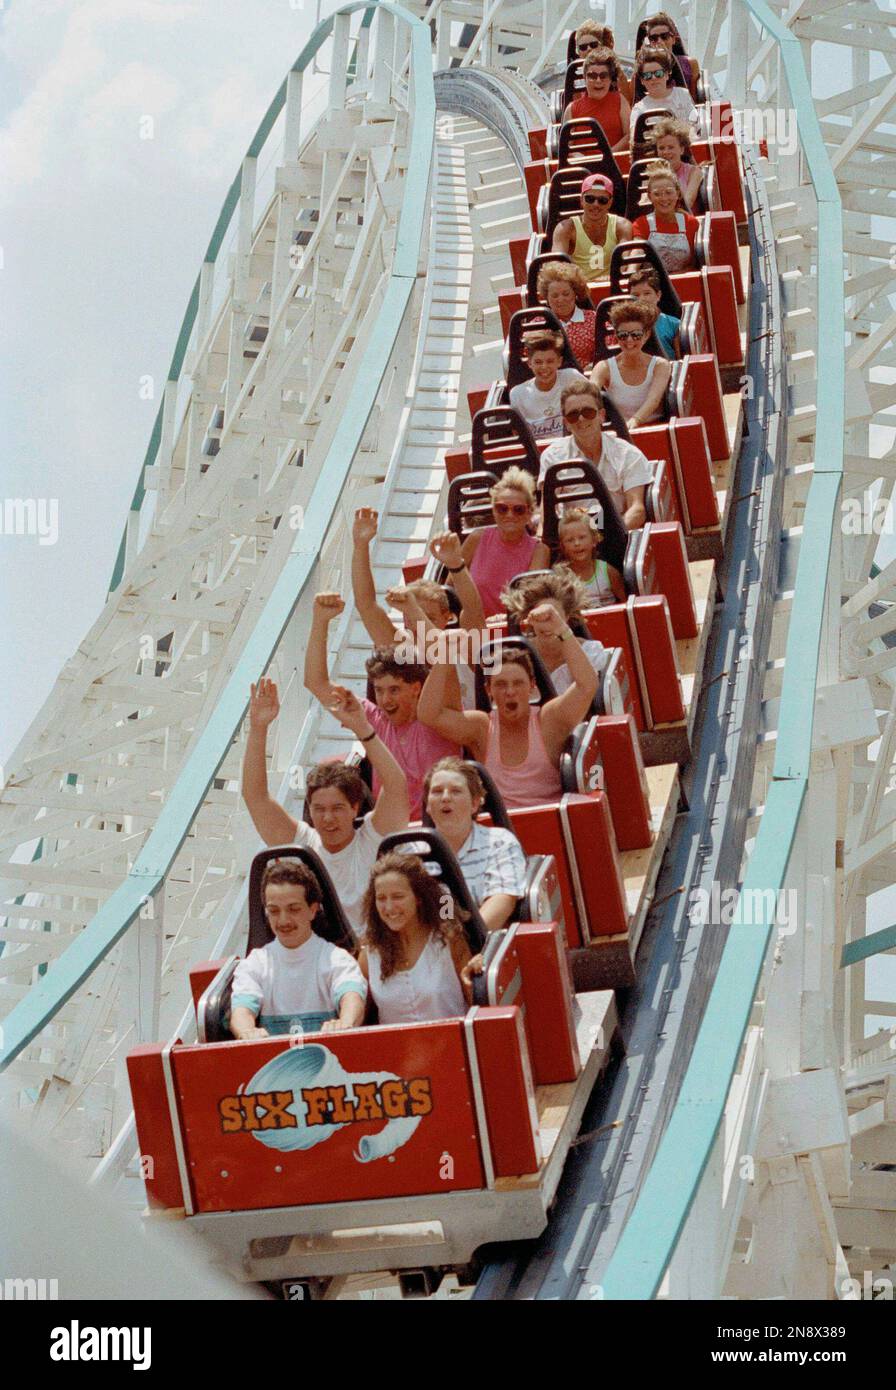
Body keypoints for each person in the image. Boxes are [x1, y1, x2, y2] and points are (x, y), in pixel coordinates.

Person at [241, 680, 409, 937]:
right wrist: (258, 728)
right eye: (319, 809)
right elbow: (255, 797)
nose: (328, 818)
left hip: (369, 955)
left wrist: (362, 728)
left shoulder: (372, 839)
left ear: (355, 808)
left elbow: (396, 785)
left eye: (338, 808)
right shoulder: (303, 845)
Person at [418, 604, 598, 809]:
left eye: (518, 683)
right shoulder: (482, 728)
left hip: (551, 822)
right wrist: (443, 656)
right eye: (501, 685)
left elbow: (587, 685)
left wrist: (561, 628)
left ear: (532, 686)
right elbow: (429, 715)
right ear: (489, 690)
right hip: (501, 832)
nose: (510, 691)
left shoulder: (549, 720)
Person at [303, 593, 458, 819]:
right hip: (391, 834)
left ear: (416, 688)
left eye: (394, 690)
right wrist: (320, 620)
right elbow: (316, 683)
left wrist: (412, 609)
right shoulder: (374, 718)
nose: (385, 700)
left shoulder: (437, 716)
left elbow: (442, 656)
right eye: (379, 690)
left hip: (440, 828)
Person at [230, 859, 367, 1039]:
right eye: (274, 911)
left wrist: (346, 1023)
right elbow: (241, 1011)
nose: (283, 920)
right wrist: (246, 1032)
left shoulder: (336, 959)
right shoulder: (254, 964)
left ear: (313, 910)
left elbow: (352, 997)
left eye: (293, 909)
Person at [359, 853, 482, 1024]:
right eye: (381, 898)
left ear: (418, 898)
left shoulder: (449, 940)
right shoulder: (368, 955)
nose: (388, 907)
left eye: (398, 897)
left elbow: (477, 1002)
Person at [423, 757, 527, 932]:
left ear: (474, 804)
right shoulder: (412, 854)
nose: (445, 798)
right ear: (427, 805)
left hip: (484, 946)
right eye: (437, 791)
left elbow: (502, 902)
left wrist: (462, 946)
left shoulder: (499, 842)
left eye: (455, 791)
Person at [539, 380, 653, 530]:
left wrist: (607, 535)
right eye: (573, 415)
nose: (581, 419)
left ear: (601, 415)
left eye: (588, 412)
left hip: (617, 532)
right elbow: (546, 513)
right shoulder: (552, 458)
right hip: (573, 537)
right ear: (566, 422)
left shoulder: (628, 455)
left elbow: (637, 511)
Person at [461, 467, 551, 619]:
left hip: (516, 628)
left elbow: (529, 598)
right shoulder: (476, 539)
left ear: (529, 513)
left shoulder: (539, 550)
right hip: (476, 630)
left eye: (518, 510)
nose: (510, 515)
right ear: (494, 510)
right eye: (502, 509)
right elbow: (453, 587)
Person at [501, 568, 611, 687]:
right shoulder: (519, 656)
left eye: (553, 617)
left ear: (567, 616)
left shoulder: (591, 652)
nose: (548, 625)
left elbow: (589, 689)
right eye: (541, 617)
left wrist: (562, 632)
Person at [592, 299, 672, 431]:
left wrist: (635, 421)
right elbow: (590, 394)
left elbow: (654, 399)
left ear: (646, 335)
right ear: (616, 336)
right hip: (620, 432)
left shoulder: (660, 365)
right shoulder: (604, 367)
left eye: (636, 335)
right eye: (623, 335)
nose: (629, 340)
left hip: (655, 430)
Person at [508, 330, 588, 439]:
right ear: (529, 363)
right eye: (538, 362)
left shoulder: (571, 377)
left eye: (550, 361)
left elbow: (594, 403)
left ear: (559, 362)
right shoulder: (518, 394)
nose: (544, 367)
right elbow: (518, 436)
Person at [552, 173, 633, 279]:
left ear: (610, 203)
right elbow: (557, 266)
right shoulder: (566, 228)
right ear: (581, 200)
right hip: (579, 290)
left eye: (602, 200)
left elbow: (624, 264)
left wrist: (609, 280)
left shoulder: (622, 226)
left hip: (614, 286)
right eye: (590, 199)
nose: (595, 204)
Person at [631, 164, 700, 274]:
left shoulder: (690, 223)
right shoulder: (641, 224)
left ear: (677, 194)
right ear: (649, 197)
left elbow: (696, 263)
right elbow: (637, 253)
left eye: (669, 192)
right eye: (657, 194)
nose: (664, 198)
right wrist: (632, 270)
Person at [553, 507, 626, 607]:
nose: (577, 543)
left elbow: (625, 601)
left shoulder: (608, 571)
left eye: (582, 537)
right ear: (563, 547)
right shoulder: (561, 576)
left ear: (594, 540)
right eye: (570, 540)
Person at [563, 50, 630, 152]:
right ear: (584, 78)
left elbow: (629, 135)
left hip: (616, 163)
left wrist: (609, 155)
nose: (598, 81)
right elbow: (566, 146)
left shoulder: (620, 100)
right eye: (592, 76)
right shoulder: (572, 109)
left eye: (603, 76)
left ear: (610, 79)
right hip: (584, 165)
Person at [536, 262, 597, 369]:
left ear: (575, 293)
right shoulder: (538, 325)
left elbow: (607, 354)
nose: (561, 300)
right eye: (555, 296)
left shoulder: (594, 319)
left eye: (566, 294)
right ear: (547, 299)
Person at [630, 46, 698, 140]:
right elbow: (635, 139)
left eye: (658, 74)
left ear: (667, 74)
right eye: (648, 75)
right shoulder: (639, 109)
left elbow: (695, 126)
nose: (654, 78)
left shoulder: (682, 95)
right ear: (642, 81)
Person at [650, 116, 704, 210]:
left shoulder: (694, 172)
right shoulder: (651, 173)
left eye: (671, 147)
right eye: (662, 148)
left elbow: (688, 202)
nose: (666, 152)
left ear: (682, 149)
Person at [572, 20, 632, 103]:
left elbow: (626, 101)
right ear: (579, 52)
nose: (589, 49)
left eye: (593, 45)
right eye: (583, 47)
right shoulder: (575, 78)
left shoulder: (617, 72)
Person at [627, 265, 681, 358]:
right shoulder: (624, 326)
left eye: (647, 293)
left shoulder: (674, 324)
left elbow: (679, 359)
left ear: (658, 295)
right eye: (635, 295)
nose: (641, 299)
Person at [642, 12, 700, 97]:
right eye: (654, 38)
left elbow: (695, 99)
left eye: (664, 36)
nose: (660, 41)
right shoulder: (641, 68)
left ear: (673, 39)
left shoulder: (691, 64)